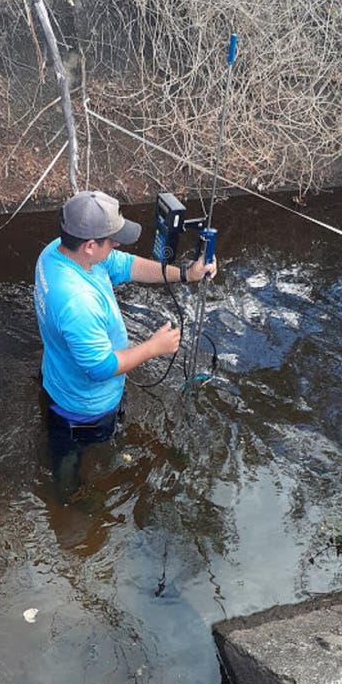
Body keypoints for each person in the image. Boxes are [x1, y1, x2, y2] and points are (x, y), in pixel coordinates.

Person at [34, 190, 216, 501]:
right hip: (82, 410)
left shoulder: (56, 252)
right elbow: (100, 368)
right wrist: (154, 347)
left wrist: (186, 275)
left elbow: (125, 265)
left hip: (58, 379)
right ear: (90, 246)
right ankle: (70, 506)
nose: (117, 244)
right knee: (70, 468)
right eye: (111, 240)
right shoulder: (76, 301)